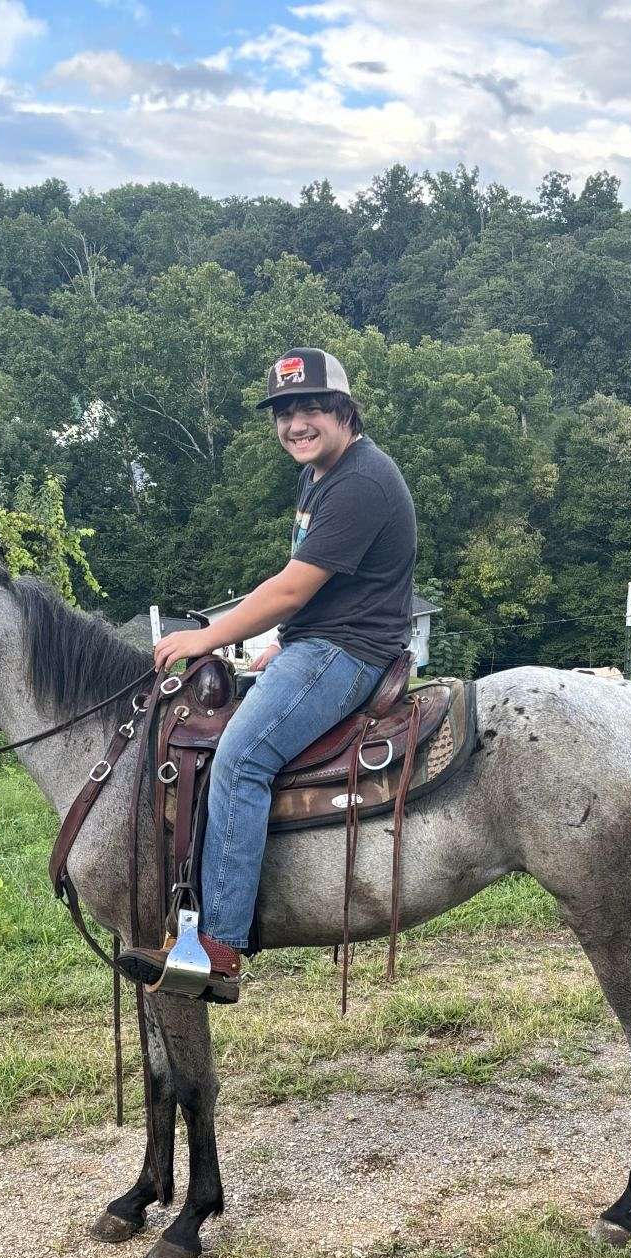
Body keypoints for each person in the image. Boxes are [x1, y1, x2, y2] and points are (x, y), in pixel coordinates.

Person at [122, 347, 417, 1002]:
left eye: (311, 408)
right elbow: (316, 583)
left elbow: (291, 586)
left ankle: (219, 950)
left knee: (239, 759)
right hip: (320, 641)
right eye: (285, 412)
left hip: (349, 653)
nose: (296, 424)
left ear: (344, 411)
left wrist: (207, 636)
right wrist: (283, 642)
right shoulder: (321, 473)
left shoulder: (362, 481)